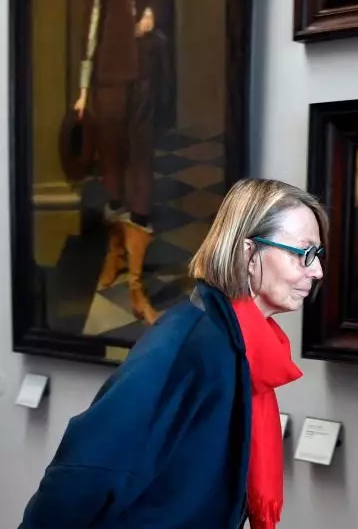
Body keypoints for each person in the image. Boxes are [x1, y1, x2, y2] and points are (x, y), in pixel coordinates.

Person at [18, 178, 327, 529]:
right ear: (248, 253)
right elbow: (82, 475)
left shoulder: (238, 343)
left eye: (316, 255)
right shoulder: (191, 344)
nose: (317, 271)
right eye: (303, 253)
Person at [74, 0, 177, 325]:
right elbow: (90, 38)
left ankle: (136, 285)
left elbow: (164, 6)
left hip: (143, 82)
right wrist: (82, 92)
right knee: (111, 171)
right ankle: (114, 255)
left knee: (140, 170)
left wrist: (153, 18)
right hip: (106, 86)